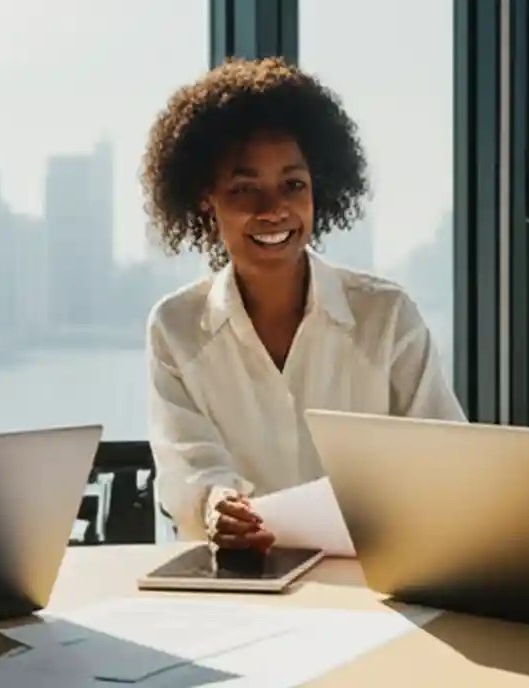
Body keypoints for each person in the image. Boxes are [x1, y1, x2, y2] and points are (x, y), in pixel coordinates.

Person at [142, 58, 465, 548]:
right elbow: (187, 464)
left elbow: (448, 460)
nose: (274, 209)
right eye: (244, 188)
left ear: (319, 188)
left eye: (293, 184)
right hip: (236, 586)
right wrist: (213, 504)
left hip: (371, 581)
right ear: (206, 198)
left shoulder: (387, 316)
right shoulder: (175, 327)